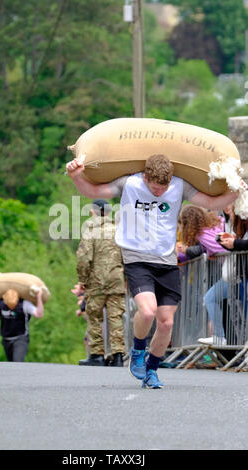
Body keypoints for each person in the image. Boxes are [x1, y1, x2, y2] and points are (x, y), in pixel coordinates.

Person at [66, 154, 238, 388]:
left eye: (163, 189)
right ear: (146, 177)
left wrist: (236, 191)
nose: (159, 193)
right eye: (155, 189)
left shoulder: (179, 185)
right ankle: (138, 350)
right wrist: (76, 175)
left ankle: (152, 370)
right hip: (136, 257)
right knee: (147, 311)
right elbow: (94, 192)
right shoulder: (130, 183)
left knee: (166, 322)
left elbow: (210, 203)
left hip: (166, 261)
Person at [75, 199, 126, 367]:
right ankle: (118, 355)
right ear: (109, 212)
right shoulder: (119, 230)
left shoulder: (90, 231)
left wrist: (82, 279)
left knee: (94, 316)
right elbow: (128, 255)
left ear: (93, 212)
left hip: (96, 281)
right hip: (116, 278)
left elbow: (84, 258)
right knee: (115, 316)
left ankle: (97, 355)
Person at [178, 204, 231, 345]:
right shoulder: (216, 221)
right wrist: (210, 252)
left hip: (232, 271)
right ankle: (219, 336)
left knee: (210, 298)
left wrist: (211, 252)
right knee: (211, 298)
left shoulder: (201, 233)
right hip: (232, 269)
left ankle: (220, 336)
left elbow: (220, 247)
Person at [0, 288, 44, 362]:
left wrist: (39, 297)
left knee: (17, 362)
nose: (11, 307)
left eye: (14, 305)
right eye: (9, 304)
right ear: (4, 300)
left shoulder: (24, 304)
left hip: (21, 338)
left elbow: (39, 314)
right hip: (6, 339)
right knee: (10, 364)